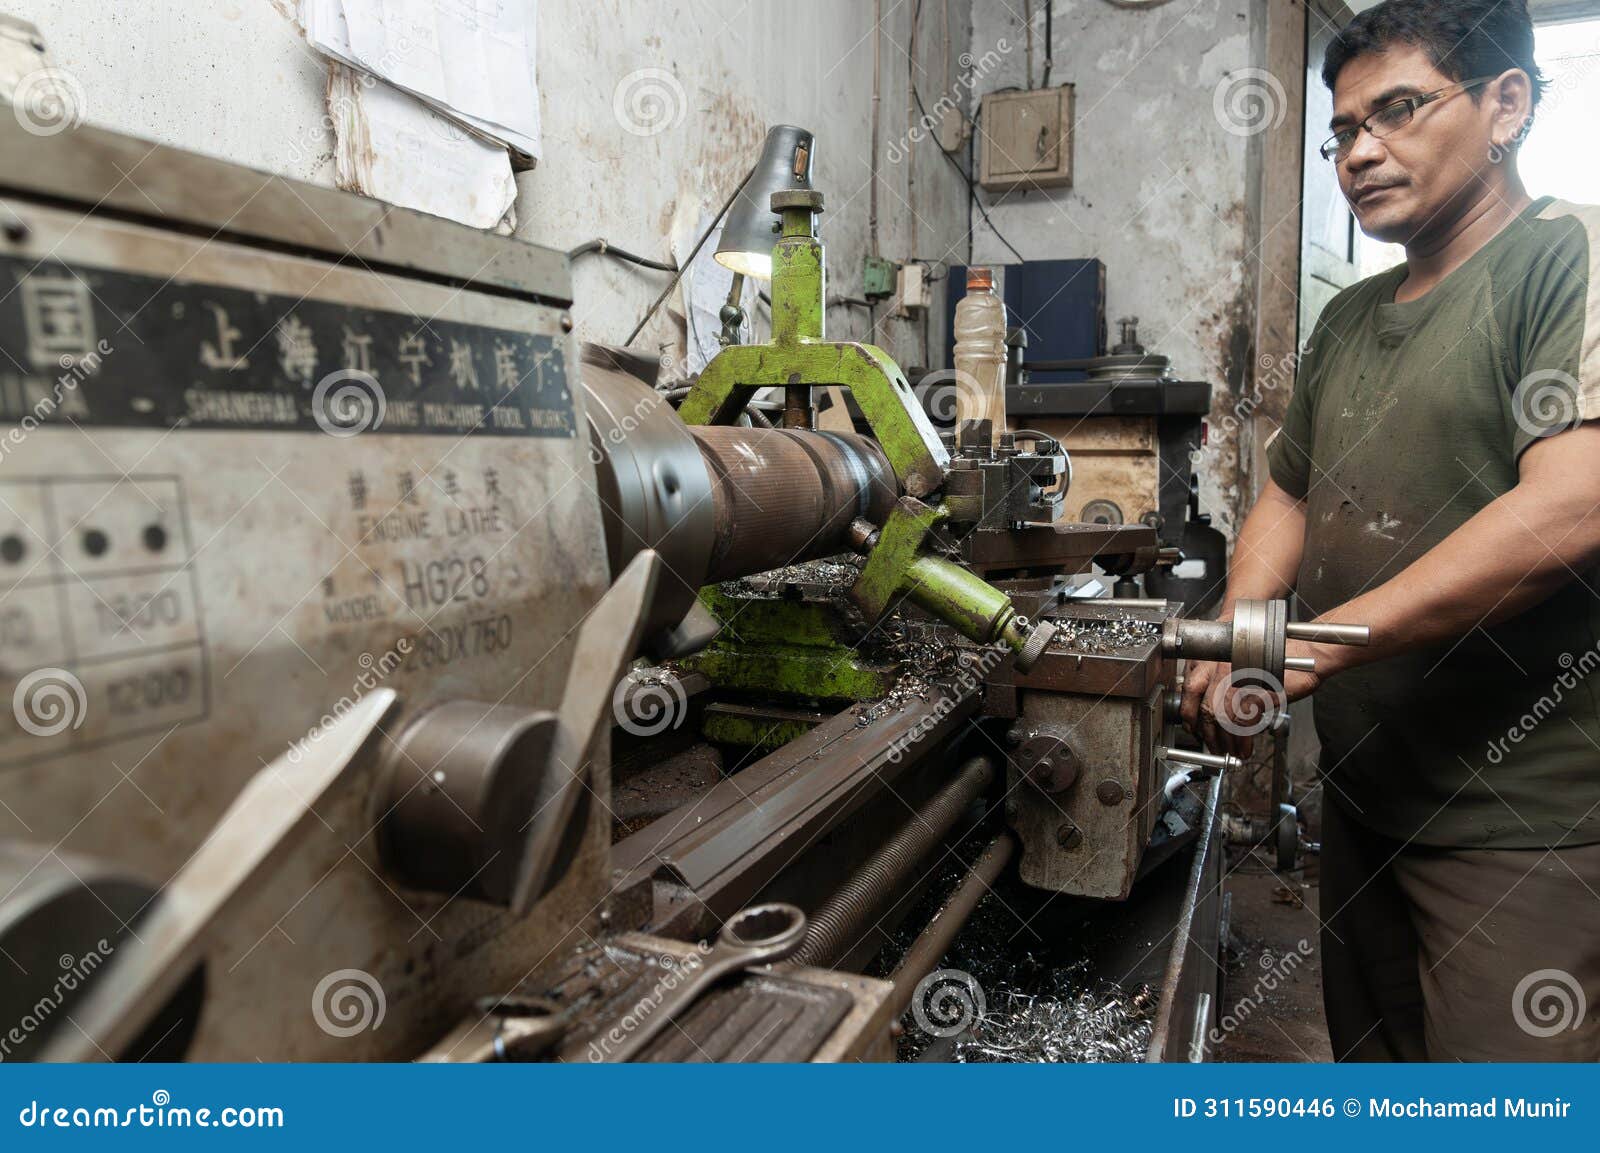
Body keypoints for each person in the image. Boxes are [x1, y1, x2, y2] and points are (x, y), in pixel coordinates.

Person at [1181, 0, 1600, 1060]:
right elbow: (1287, 492)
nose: (1359, 151)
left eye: (1398, 110)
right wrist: (1241, 625)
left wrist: (1310, 645)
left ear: (1505, 104)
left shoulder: (1566, 259)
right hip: (1364, 801)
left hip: (1516, 824)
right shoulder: (1348, 321)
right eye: (1342, 130)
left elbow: (1570, 506)